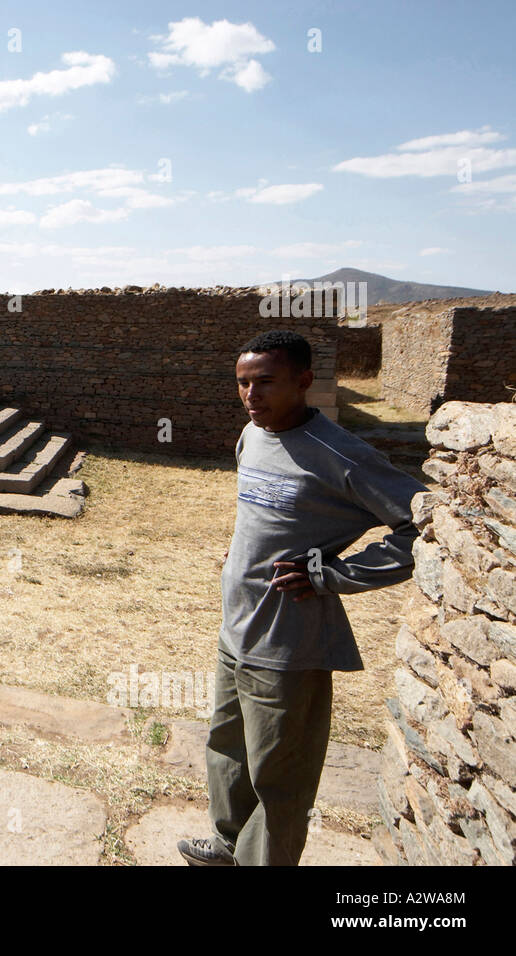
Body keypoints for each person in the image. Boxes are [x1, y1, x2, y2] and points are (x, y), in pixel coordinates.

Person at [177, 329, 429, 866]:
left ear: (305, 381)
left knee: (279, 775)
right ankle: (226, 845)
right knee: (228, 750)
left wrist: (330, 574)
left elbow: (422, 527)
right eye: (243, 383)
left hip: (288, 643)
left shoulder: (342, 455)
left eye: (265, 382)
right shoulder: (252, 436)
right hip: (236, 629)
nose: (251, 396)